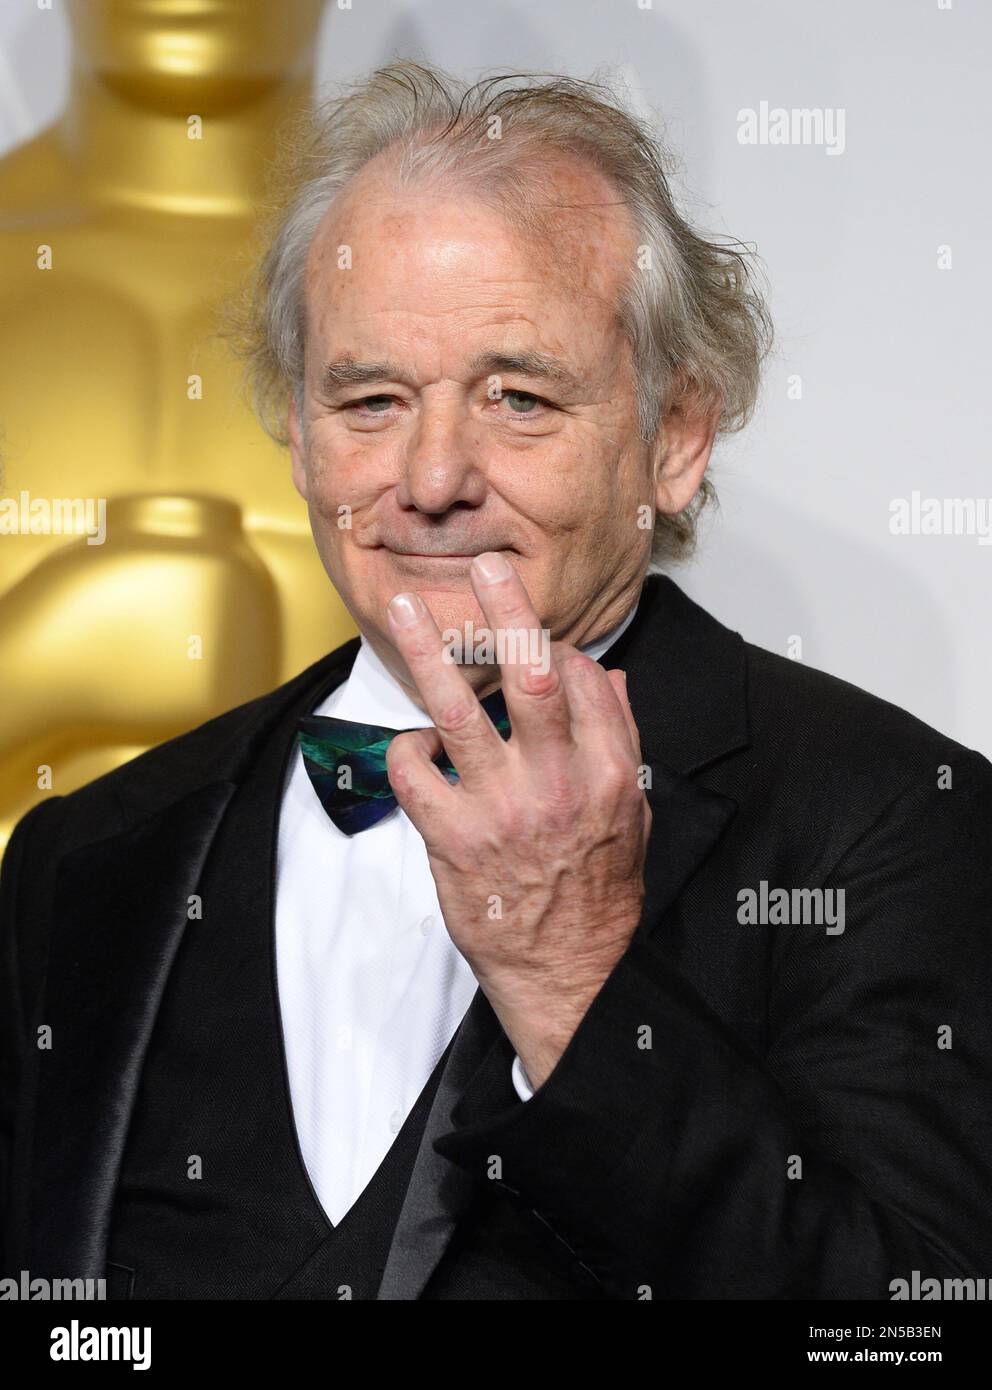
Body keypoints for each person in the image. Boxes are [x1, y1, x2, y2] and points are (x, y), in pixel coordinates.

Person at [2, 62, 990, 1301]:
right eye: (368, 400)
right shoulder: (90, 855)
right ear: (297, 435)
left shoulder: (891, 821)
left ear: (675, 437)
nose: (428, 478)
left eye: (515, 398)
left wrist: (572, 979)